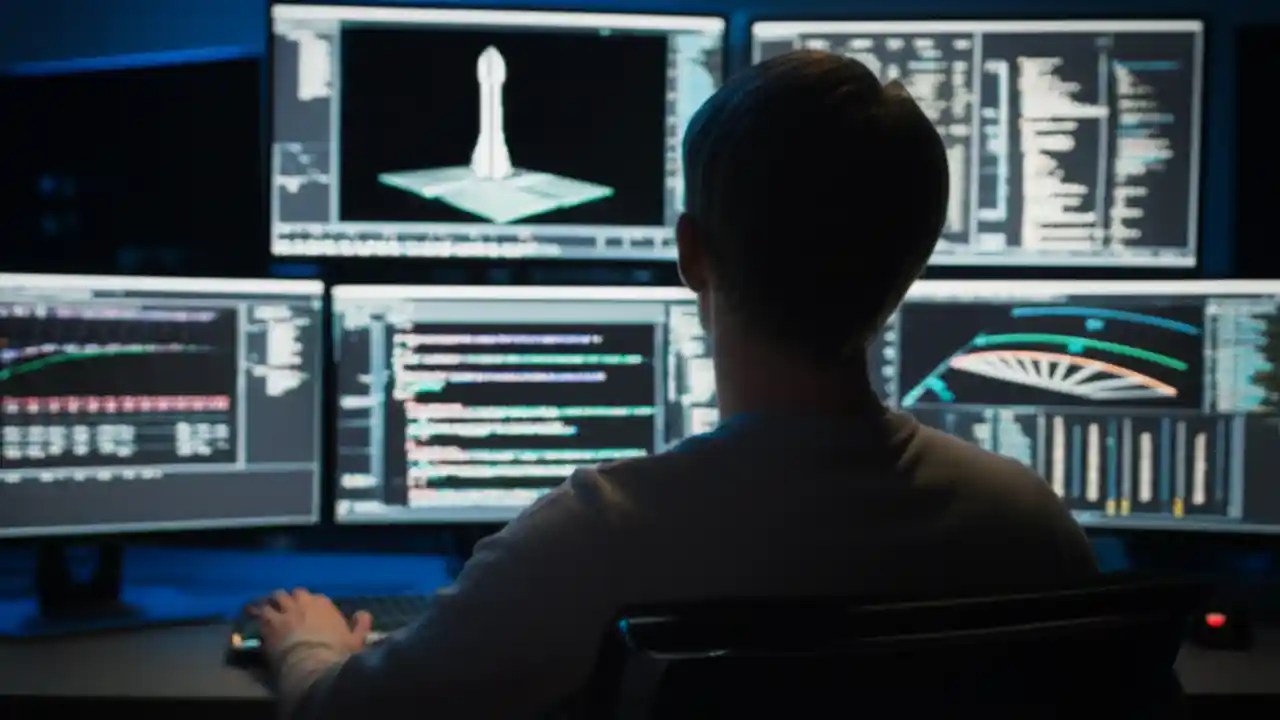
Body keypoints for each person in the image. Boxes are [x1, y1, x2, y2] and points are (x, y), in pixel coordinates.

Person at [255, 50, 1098, 719]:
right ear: (913, 266)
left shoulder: (593, 539)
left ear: (691, 253)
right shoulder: (1028, 525)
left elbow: (345, 711)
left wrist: (309, 647)